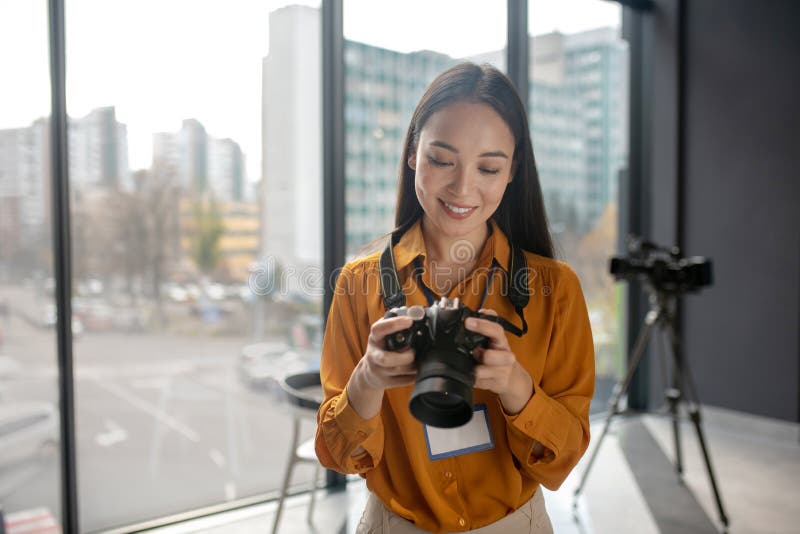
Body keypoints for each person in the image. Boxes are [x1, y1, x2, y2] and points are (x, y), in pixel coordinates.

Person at [315, 62, 595, 533]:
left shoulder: (556, 290)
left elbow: (561, 460)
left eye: (488, 167)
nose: (463, 188)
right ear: (411, 154)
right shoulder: (359, 285)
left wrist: (515, 387)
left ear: (512, 172)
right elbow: (338, 456)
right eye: (442, 160)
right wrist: (368, 379)